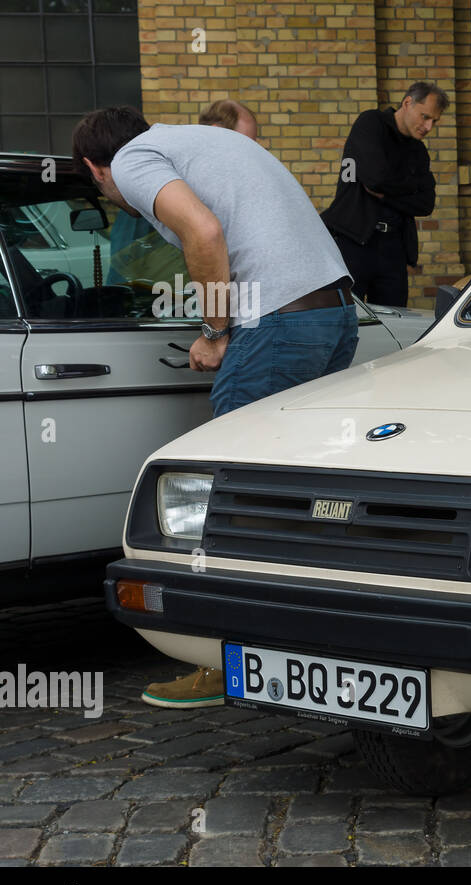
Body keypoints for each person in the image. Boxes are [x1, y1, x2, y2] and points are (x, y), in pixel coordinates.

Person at [73, 104, 357, 707]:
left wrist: (213, 328)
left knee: (230, 498)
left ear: (96, 169)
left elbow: (202, 233)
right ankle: (325, 654)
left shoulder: (132, 161)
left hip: (276, 324)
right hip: (332, 313)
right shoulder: (203, 143)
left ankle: (223, 662)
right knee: (304, 497)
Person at [107, 100, 258, 285]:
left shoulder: (217, 187)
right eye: (244, 143)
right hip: (157, 304)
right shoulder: (159, 181)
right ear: (217, 131)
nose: (252, 153)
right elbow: (124, 269)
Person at [321, 81, 445, 306]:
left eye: (434, 121)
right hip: (353, 240)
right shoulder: (371, 123)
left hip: (394, 247)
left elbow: (426, 204)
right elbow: (375, 179)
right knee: (349, 319)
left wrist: (388, 195)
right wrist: (411, 186)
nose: (428, 127)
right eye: (425, 117)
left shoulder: (418, 151)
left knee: (394, 321)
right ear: (407, 103)